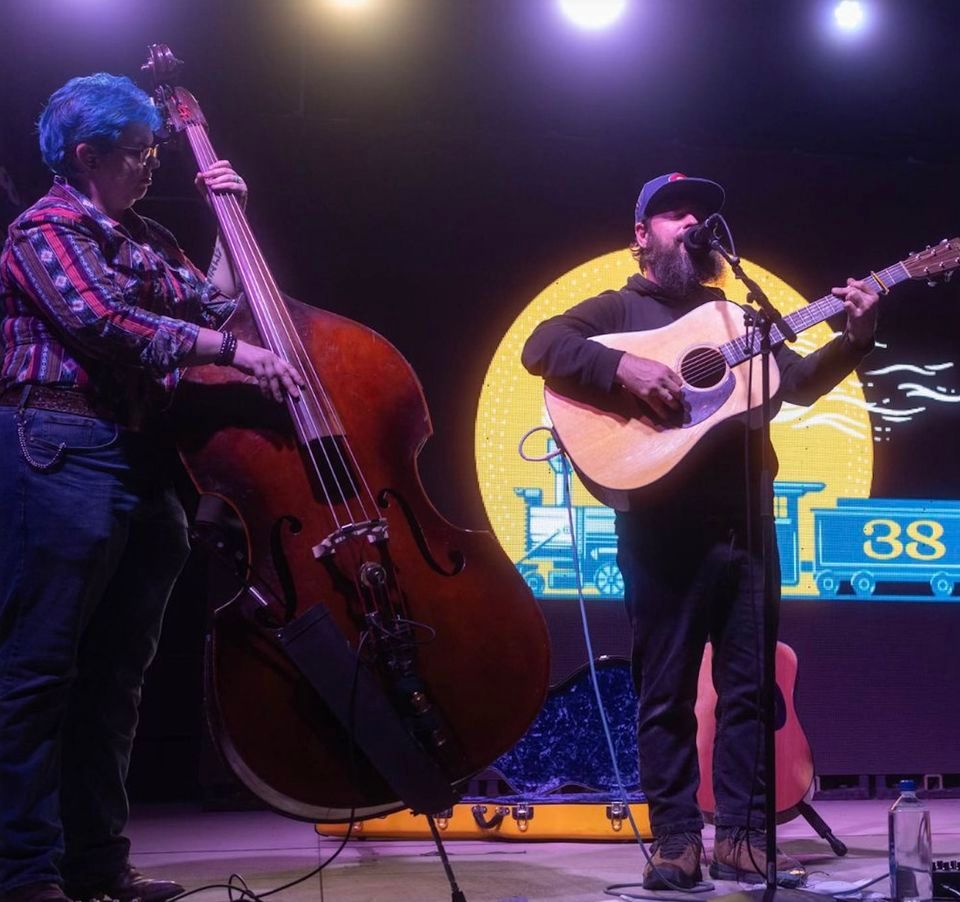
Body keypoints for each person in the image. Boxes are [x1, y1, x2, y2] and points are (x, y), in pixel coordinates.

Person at [521, 172, 878, 889]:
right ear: (641, 235)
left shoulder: (735, 318)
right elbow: (542, 344)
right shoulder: (619, 307)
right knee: (666, 690)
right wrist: (622, 365)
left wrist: (859, 332)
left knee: (748, 691)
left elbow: (797, 382)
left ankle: (742, 840)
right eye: (673, 213)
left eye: (702, 215)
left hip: (745, 521)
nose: (692, 223)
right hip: (660, 529)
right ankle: (678, 840)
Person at [0, 74, 304, 902]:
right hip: (57, 446)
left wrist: (224, 223)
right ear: (86, 155)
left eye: (154, 150)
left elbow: (216, 303)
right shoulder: (45, 229)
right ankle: (24, 870)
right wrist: (230, 353)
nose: (151, 164)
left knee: (116, 680)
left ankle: (97, 861)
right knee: (38, 673)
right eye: (139, 153)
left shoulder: (143, 234)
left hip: (140, 458)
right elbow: (102, 321)